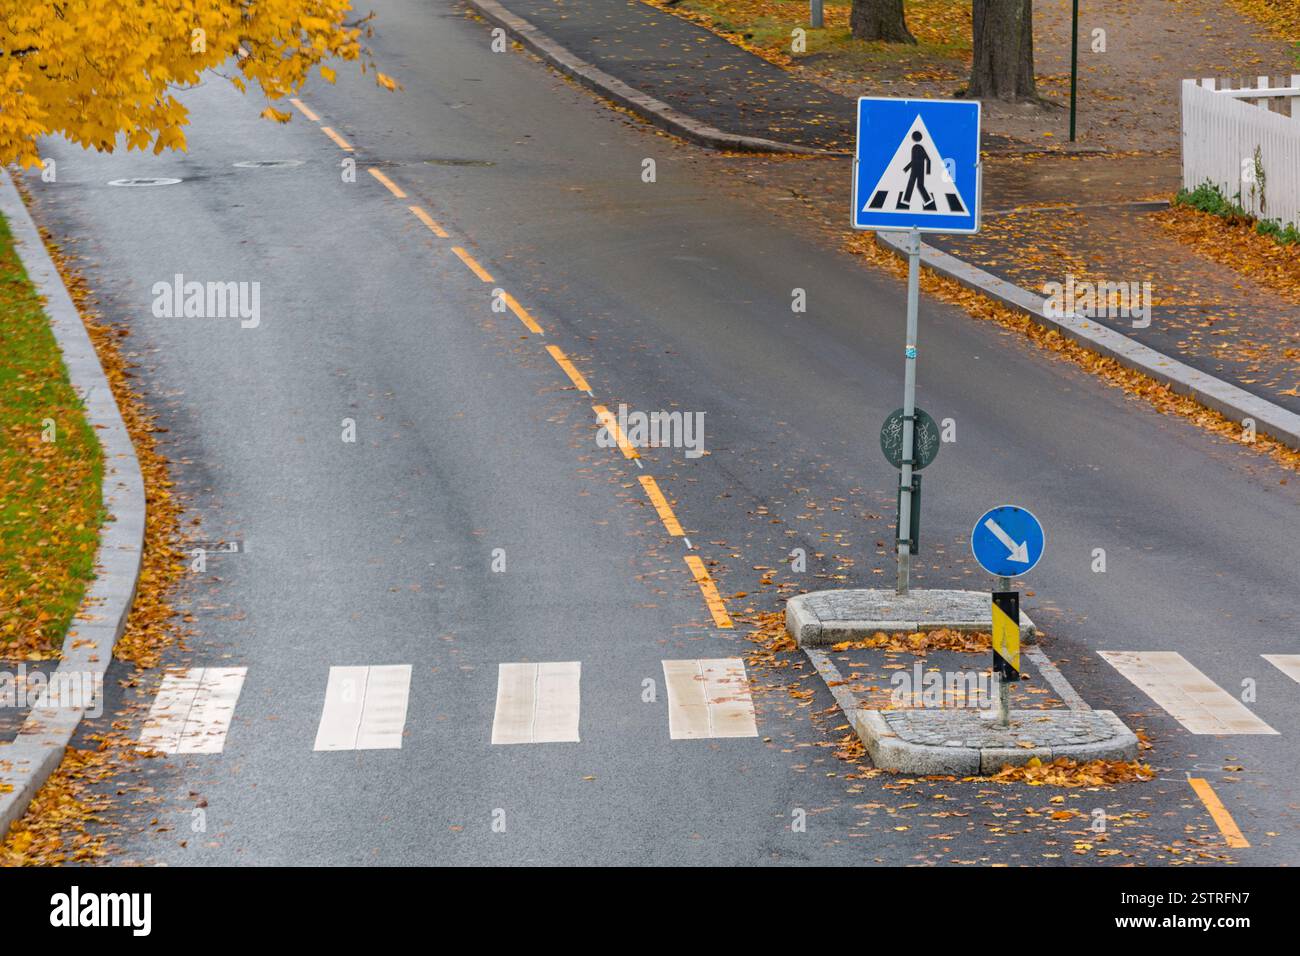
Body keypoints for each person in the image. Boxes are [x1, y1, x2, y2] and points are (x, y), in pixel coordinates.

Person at [900, 131, 936, 211]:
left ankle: (927, 201)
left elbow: (927, 159)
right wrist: (907, 168)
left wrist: (928, 171)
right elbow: (914, 160)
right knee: (912, 185)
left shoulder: (917, 148)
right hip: (916, 169)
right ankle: (907, 200)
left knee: (918, 185)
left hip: (918, 170)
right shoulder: (915, 147)